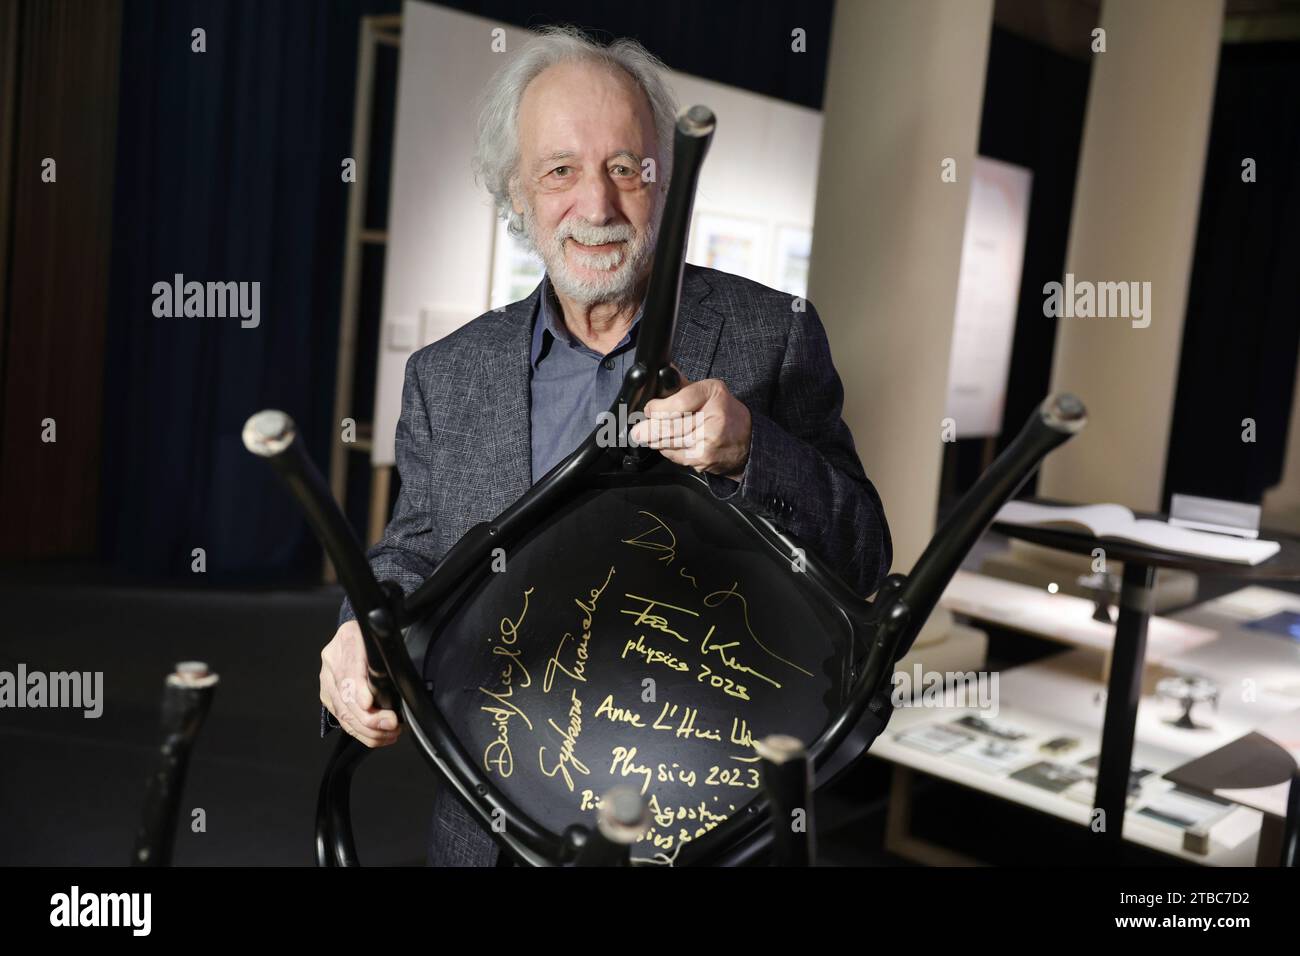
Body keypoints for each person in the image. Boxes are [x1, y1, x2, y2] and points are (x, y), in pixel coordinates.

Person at [318, 24, 891, 866]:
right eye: (560, 171)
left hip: (707, 820)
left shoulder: (772, 336)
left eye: (625, 167)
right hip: (493, 818)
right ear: (516, 193)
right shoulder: (449, 376)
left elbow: (864, 555)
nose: (596, 205)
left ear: (661, 182)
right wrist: (356, 629)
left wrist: (751, 450)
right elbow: (416, 553)